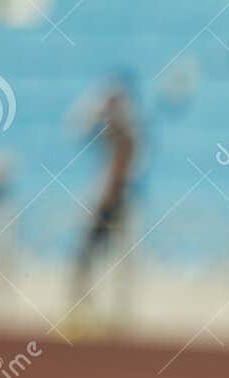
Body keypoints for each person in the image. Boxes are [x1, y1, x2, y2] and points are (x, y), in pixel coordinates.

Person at [70, 77, 139, 314]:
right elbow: (80, 129)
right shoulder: (113, 133)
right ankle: (83, 305)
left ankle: (115, 310)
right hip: (106, 200)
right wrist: (99, 111)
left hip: (117, 201)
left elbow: (123, 167)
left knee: (118, 258)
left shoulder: (129, 136)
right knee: (89, 255)